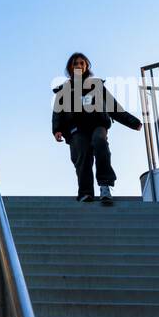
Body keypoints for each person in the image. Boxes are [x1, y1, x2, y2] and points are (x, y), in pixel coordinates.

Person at [52, 52, 142, 205]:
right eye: (75, 64)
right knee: (82, 155)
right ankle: (85, 192)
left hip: (97, 125)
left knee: (100, 142)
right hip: (76, 129)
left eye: (81, 63)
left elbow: (113, 107)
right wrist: (57, 129)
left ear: (86, 66)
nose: (79, 66)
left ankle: (105, 186)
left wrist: (133, 122)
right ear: (70, 68)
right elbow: (57, 112)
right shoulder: (64, 90)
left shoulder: (97, 86)